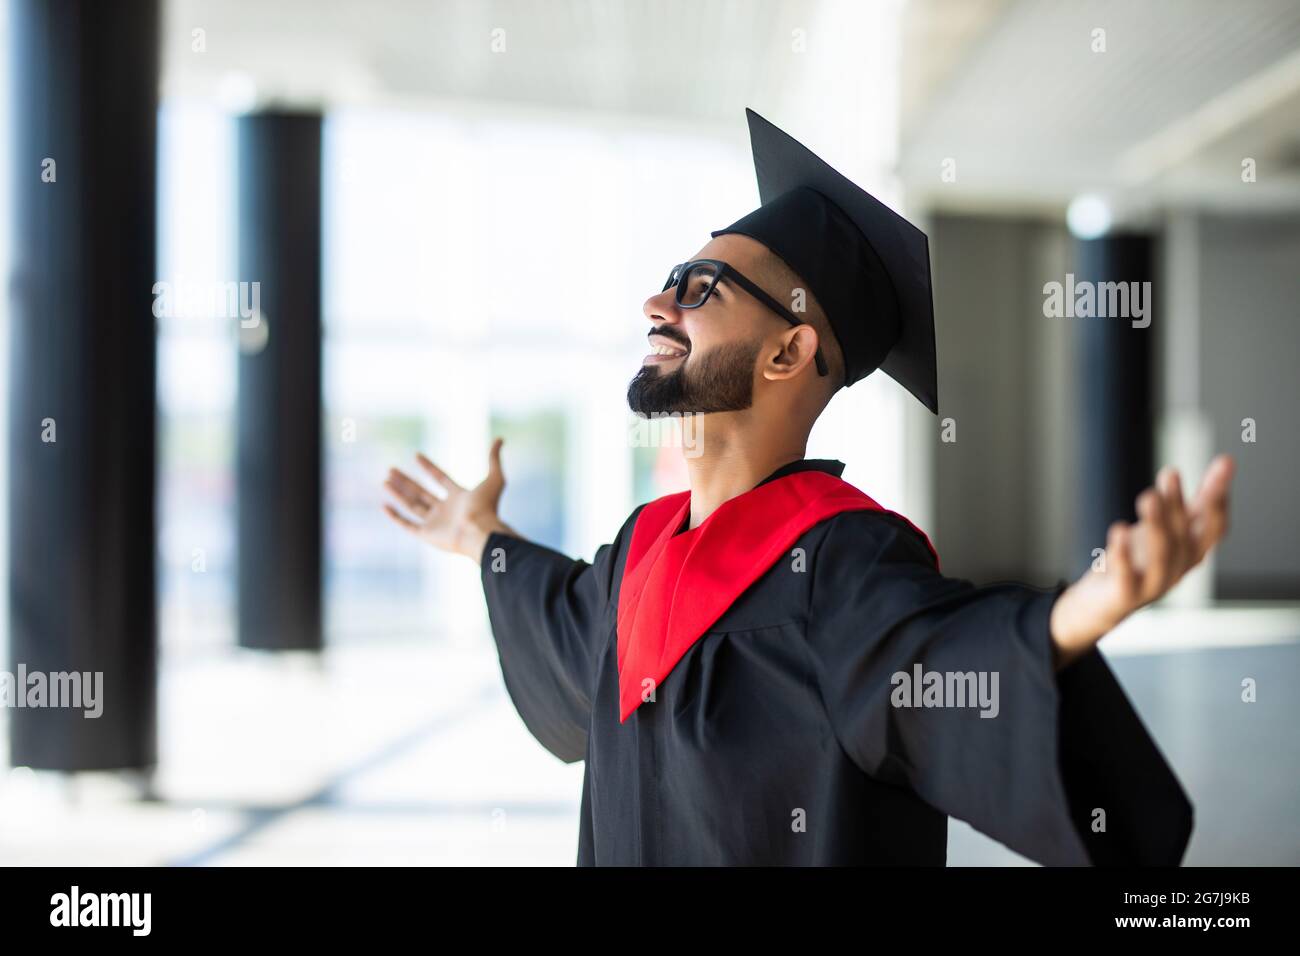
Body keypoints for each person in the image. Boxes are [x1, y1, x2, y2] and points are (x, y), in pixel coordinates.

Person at [383, 109, 1234, 865]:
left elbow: (938, 663)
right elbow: (565, 623)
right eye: (671, 279)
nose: (656, 300)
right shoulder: (640, 548)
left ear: (787, 352)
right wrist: (480, 537)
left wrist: (1084, 608)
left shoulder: (844, 561)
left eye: (697, 289)